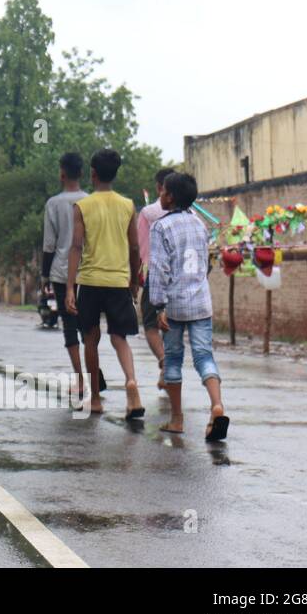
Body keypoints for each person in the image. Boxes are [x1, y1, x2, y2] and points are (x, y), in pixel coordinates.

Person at [148, 172, 228, 440]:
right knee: (204, 356)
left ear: (170, 196)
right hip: (200, 303)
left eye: (163, 191)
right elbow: (205, 265)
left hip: (174, 304)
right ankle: (217, 405)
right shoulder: (200, 225)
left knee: (173, 359)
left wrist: (158, 306)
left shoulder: (161, 227)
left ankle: (177, 419)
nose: (159, 194)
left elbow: (159, 269)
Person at [66, 149, 144, 418]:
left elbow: (76, 247)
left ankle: (96, 399)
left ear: (93, 173)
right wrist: (134, 280)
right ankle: (131, 382)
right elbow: (135, 247)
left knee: (90, 339)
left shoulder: (82, 207)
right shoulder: (127, 205)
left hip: (89, 281)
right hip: (118, 280)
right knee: (119, 337)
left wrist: (68, 288)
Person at [41, 152, 102, 397]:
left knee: (69, 325)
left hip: (60, 273)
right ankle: (94, 372)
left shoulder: (53, 204)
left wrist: (45, 276)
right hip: (87, 272)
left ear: (62, 173)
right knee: (88, 325)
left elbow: (49, 244)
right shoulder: (91, 201)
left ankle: (80, 380)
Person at [136, 167, 177, 392]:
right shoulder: (191, 215)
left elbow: (141, 248)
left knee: (151, 324)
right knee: (173, 326)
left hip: (156, 274)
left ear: (160, 188)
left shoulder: (149, 213)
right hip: (180, 277)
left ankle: (164, 363)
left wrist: (138, 277)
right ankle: (169, 368)